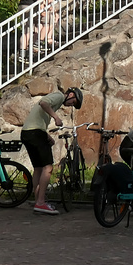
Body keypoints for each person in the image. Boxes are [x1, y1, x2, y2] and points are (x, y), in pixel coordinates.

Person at [22, 85, 82, 215]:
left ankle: (38, 200)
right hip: (35, 133)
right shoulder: (59, 96)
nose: (71, 105)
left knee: (38, 168)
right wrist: (56, 117)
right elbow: (43, 103)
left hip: (27, 133)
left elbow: (37, 118)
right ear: (71, 95)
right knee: (48, 168)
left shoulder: (56, 101)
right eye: (73, 102)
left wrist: (46, 135)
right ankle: (41, 203)